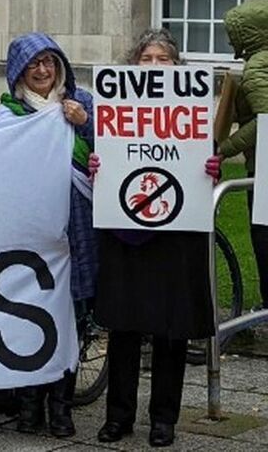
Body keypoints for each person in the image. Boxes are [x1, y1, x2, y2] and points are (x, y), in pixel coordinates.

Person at [91, 28, 218, 447]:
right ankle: (118, 417)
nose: (154, 66)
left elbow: (201, 155)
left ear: (176, 67)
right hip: (125, 230)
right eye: (146, 59)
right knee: (123, 328)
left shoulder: (192, 108)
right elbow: (110, 155)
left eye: (162, 59)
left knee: (171, 328)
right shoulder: (116, 107)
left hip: (175, 235)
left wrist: (211, 166)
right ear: (133, 65)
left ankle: (164, 419)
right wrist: (99, 165)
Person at [0, 32, 96, 439]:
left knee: (71, 314)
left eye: (50, 62)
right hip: (30, 226)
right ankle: (29, 405)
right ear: (20, 71)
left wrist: (84, 126)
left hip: (76, 222)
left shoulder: (81, 104)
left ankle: (62, 406)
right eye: (34, 64)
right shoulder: (8, 115)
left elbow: (111, 152)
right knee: (30, 314)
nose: (43, 70)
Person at [221, 0, 268, 310]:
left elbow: (266, 122)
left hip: (263, 171)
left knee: (263, 242)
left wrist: (223, 149)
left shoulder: (255, 69)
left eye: (233, 32)